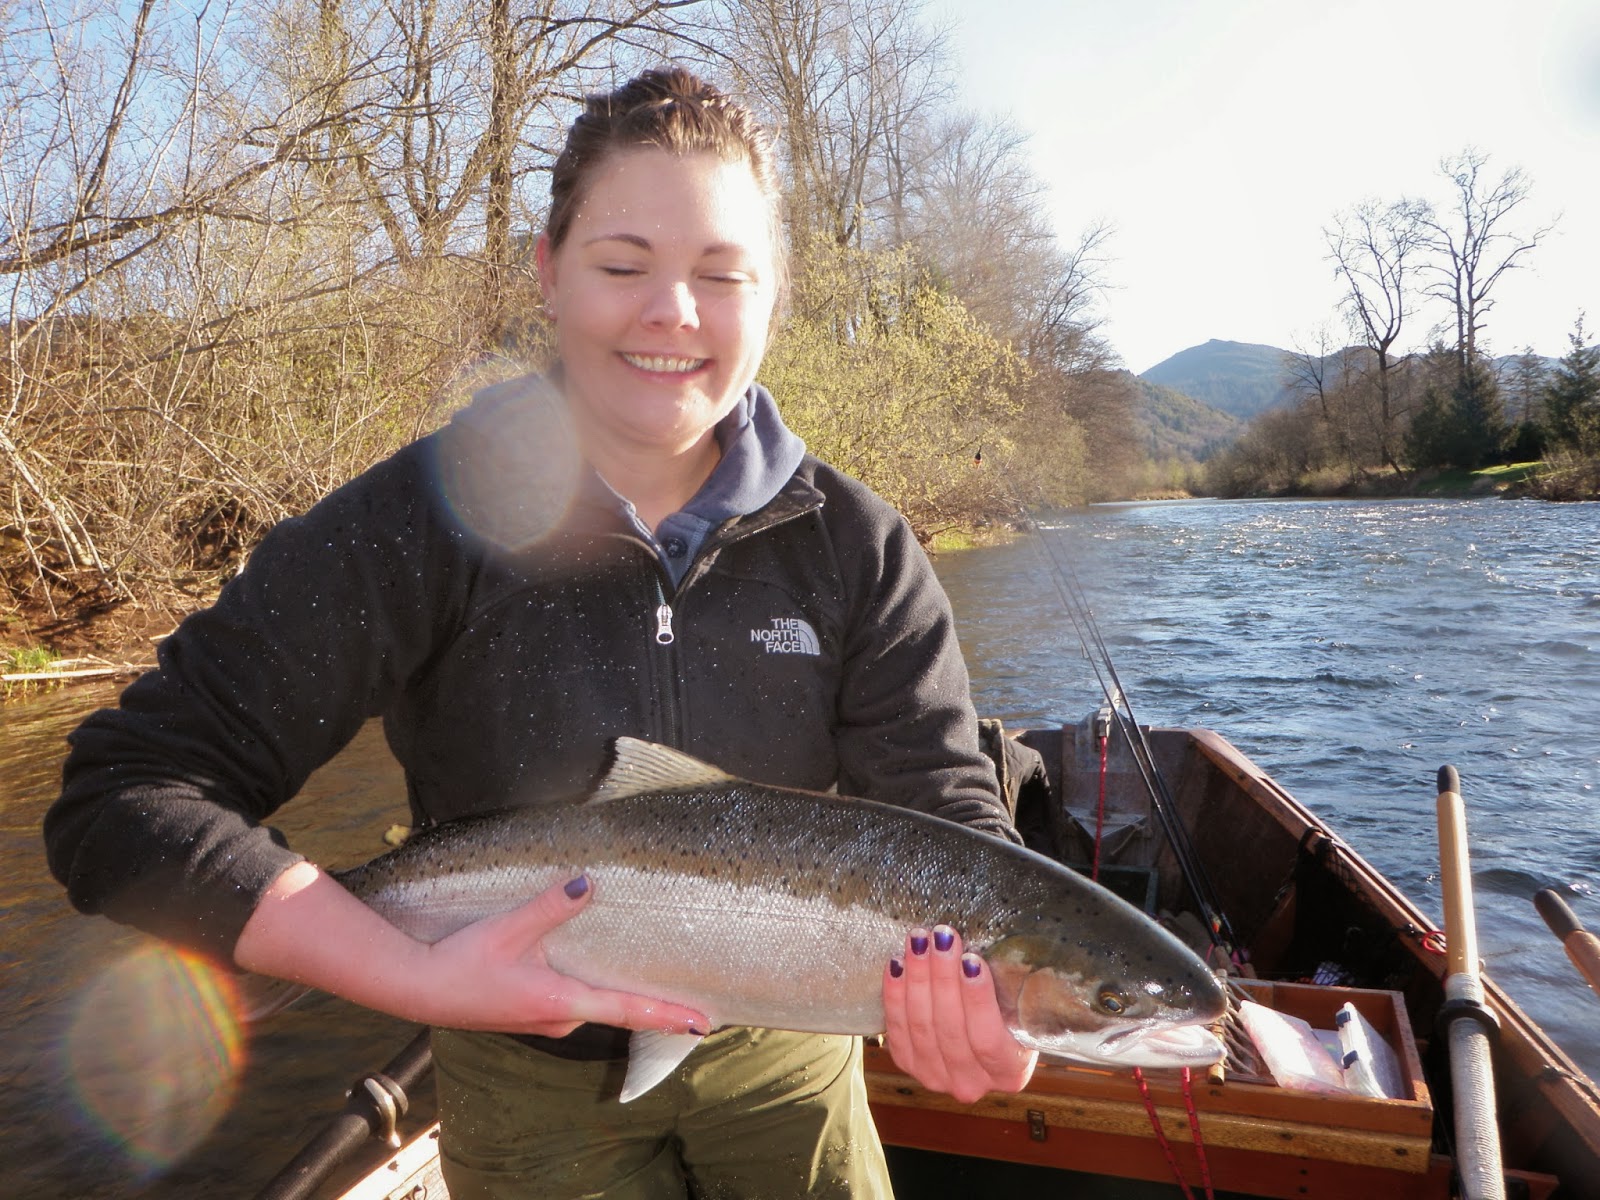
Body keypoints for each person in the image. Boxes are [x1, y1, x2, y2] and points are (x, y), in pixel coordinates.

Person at [44, 66, 1036, 1198]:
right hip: (515, 1074)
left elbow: (948, 818)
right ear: (547, 272)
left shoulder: (860, 547)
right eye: (622, 265)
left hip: (790, 1062)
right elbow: (121, 796)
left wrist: (1006, 998)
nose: (673, 311)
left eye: (723, 275)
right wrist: (408, 977)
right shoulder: (413, 523)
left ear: (775, 297)